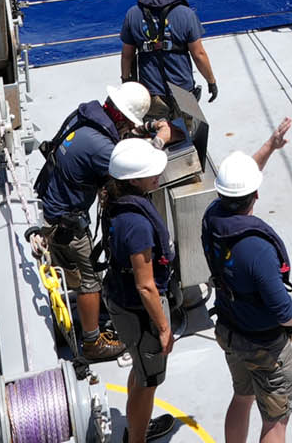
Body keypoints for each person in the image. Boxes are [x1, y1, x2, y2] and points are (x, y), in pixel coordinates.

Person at [34, 81, 173, 361]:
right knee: (89, 281)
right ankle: (92, 342)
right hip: (66, 222)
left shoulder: (86, 116)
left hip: (51, 199)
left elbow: (118, 138)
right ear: (121, 116)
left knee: (82, 275)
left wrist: (144, 129)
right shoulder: (102, 148)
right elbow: (131, 170)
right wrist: (158, 142)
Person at [201, 120, 292, 443]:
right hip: (264, 346)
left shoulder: (212, 219)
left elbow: (237, 186)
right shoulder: (257, 250)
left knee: (242, 397)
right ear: (255, 195)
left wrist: (269, 146)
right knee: (275, 421)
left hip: (231, 334)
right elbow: (281, 308)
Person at [103, 137, 180, 443]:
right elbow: (146, 285)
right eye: (151, 172)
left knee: (141, 369)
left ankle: (136, 428)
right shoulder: (136, 224)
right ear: (133, 180)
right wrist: (163, 328)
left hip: (125, 305)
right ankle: (136, 438)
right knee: (148, 381)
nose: (157, 175)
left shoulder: (120, 202)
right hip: (140, 313)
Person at [121, 0, 218, 153]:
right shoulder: (185, 14)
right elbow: (199, 54)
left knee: (154, 136)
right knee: (185, 137)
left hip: (150, 93)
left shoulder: (132, 14)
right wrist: (211, 81)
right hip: (182, 91)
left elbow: (127, 55)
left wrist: (126, 83)